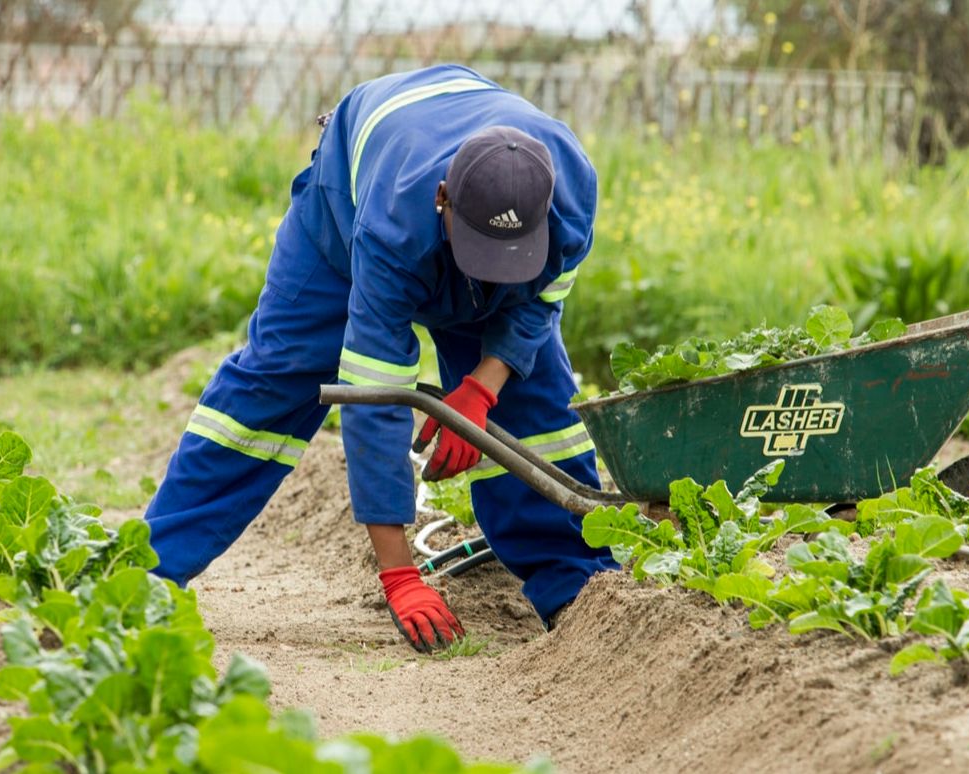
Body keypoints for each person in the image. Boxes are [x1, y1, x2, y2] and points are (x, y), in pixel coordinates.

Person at [143, 64, 618, 653]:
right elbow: (375, 398)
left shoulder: (570, 193)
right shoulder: (393, 225)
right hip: (349, 203)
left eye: (510, 257)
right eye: (481, 255)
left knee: (531, 406)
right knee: (276, 380)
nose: (492, 276)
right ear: (442, 200)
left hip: (457, 181)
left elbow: (540, 302)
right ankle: (149, 572)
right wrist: (398, 574)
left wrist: (482, 389)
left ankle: (578, 587)